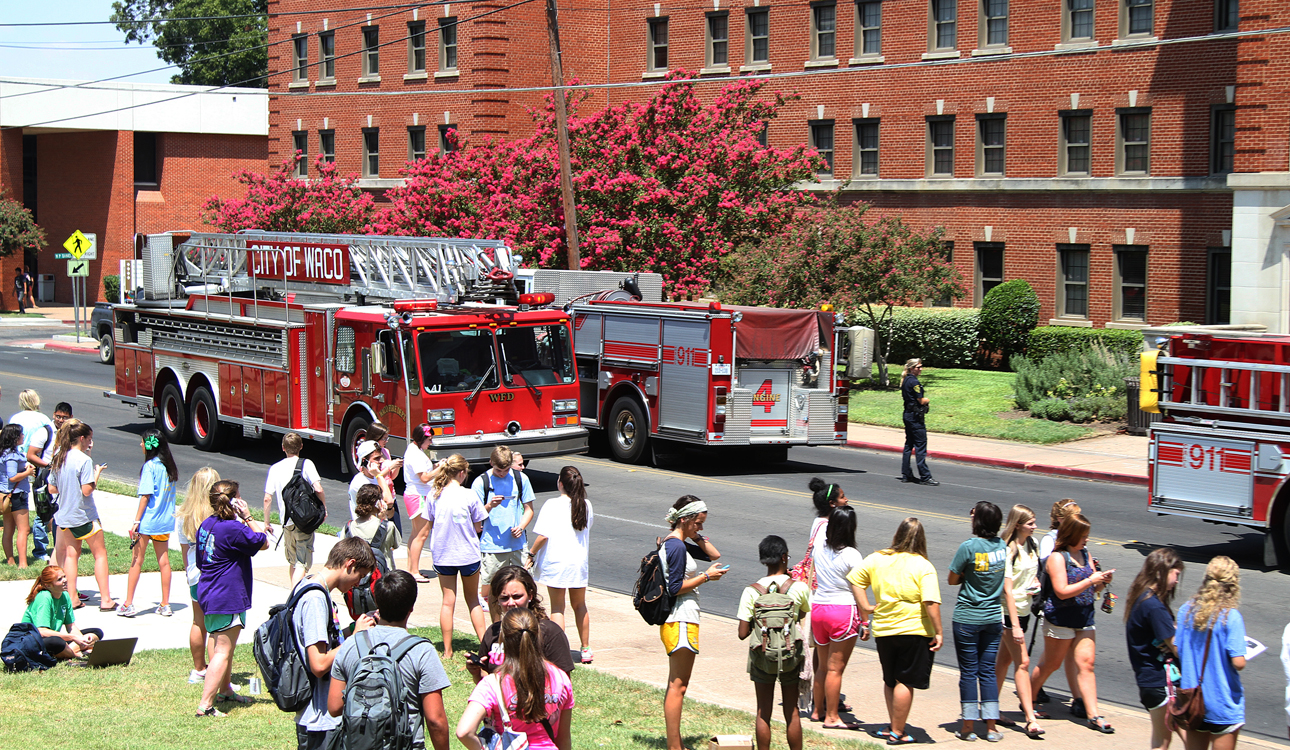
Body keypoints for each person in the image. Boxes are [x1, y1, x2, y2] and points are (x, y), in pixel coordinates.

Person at [329, 570, 452, 750]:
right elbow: (435, 720)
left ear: (377, 603)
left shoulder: (351, 645)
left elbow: (334, 707)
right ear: (411, 607)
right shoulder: (421, 652)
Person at [850, 517, 942, 745]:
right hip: (914, 630)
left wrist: (866, 607)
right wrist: (939, 631)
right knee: (905, 681)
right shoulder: (923, 565)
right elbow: (931, 602)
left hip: (885, 630)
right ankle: (898, 732)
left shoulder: (877, 558)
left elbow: (855, 580)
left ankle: (894, 725)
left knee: (891, 680)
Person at [1029, 513, 1116, 733]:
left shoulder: (1085, 553)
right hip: (1061, 618)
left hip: (1084, 616)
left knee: (1087, 664)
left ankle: (1093, 715)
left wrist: (1101, 581)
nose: (1087, 539)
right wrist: (1090, 580)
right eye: (1084, 536)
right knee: (1051, 664)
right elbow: (1061, 591)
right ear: (1072, 534)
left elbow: (1092, 587)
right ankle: (1029, 699)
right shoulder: (1058, 558)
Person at [292, 536, 378, 749]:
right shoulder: (315, 599)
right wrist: (356, 637)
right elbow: (319, 664)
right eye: (360, 576)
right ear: (350, 564)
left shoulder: (312, 586)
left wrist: (358, 626)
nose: (357, 584)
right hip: (319, 719)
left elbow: (328, 643)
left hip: (322, 716)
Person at [195, 480, 269, 717]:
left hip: (208, 593)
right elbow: (263, 541)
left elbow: (200, 561)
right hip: (227, 596)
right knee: (223, 651)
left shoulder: (206, 524)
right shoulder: (234, 529)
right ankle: (205, 705)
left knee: (221, 644)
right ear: (235, 500)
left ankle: (225, 690)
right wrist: (247, 516)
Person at [456, 607, 575, 750]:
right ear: (538, 635)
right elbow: (563, 738)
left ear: (502, 639)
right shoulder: (561, 678)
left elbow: (464, 732)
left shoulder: (493, 684)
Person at [660, 495, 726, 750]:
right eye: (698, 522)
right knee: (678, 686)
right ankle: (674, 746)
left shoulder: (678, 543)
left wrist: (695, 535)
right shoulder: (677, 547)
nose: (701, 527)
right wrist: (706, 578)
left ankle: (675, 744)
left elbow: (714, 554)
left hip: (680, 619)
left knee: (675, 684)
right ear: (684, 519)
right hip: (680, 619)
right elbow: (674, 587)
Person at [737, 534, 810, 750]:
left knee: (763, 711)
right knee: (792, 710)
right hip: (789, 654)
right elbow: (804, 614)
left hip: (762, 655)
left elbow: (742, 633)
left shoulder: (751, 591)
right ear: (784, 557)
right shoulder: (799, 588)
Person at [947, 501, 1006, 741]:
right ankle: (991, 727)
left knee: (969, 673)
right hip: (993, 617)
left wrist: (967, 575)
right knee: (988, 672)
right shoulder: (1002, 547)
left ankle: (968, 727)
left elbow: (952, 579)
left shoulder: (968, 547)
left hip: (967, 617)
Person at [1177, 556, 1246, 750]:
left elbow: (1178, 649)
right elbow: (1239, 662)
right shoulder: (1230, 617)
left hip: (1193, 699)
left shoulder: (1186, 611)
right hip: (1221, 700)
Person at [528, 465, 593, 661]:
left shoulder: (551, 504)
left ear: (561, 483)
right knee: (580, 605)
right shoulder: (586, 505)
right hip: (578, 562)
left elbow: (543, 536)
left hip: (556, 562)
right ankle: (586, 648)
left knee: (558, 608)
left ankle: (559, 649)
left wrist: (531, 554)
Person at [468, 565, 575, 683]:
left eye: (517, 596)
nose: (511, 603)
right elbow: (486, 681)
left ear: (530, 595)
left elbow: (563, 683)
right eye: (504, 598)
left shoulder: (550, 632)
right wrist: (477, 673)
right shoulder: (493, 632)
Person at [426, 453, 488, 658]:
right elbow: (478, 526)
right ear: (462, 473)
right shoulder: (469, 495)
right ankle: (485, 646)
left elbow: (430, 523)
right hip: (468, 555)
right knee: (473, 600)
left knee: (447, 601)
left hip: (443, 554)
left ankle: (447, 650)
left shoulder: (433, 494)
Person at [809, 504, 865, 729]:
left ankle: (817, 710)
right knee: (835, 669)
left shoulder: (819, 548)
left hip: (819, 609)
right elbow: (859, 588)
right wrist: (865, 620)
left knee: (823, 667)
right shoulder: (852, 555)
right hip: (843, 611)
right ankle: (832, 717)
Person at [1125, 547, 1186, 750]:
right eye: (1176, 574)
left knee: (1175, 739)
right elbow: (1177, 647)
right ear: (1162, 572)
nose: (1177, 581)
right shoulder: (1154, 607)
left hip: (1150, 681)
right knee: (1165, 742)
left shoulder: (1142, 598)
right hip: (1162, 683)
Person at [49, 419, 113, 611]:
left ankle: (72, 598)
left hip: (65, 515)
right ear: (82, 438)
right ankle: (106, 599)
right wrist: (96, 475)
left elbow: (52, 488)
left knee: (71, 554)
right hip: (84, 515)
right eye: (89, 439)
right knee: (100, 554)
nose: (90, 443)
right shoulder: (84, 460)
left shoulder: (59, 456)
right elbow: (87, 490)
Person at [995, 504, 1044, 737]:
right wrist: (1014, 625)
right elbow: (1007, 589)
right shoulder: (1008, 549)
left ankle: (990, 708)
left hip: (1024, 610)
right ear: (1017, 525)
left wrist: (1035, 584)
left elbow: (1030, 574)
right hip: (1008, 613)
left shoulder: (1032, 545)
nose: (1035, 526)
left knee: (1004, 661)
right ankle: (1030, 718)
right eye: (1030, 523)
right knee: (1023, 662)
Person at [471, 445, 535, 620]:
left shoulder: (520, 479)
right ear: (491, 463)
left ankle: (522, 624)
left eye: (506, 470)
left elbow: (529, 509)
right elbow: (475, 516)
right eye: (499, 470)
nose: (502, 474)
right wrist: (489, 506)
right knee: (495, 591)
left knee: (523, 588)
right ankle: (497, 627)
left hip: (517, 545)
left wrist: (521, 527)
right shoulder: (481, 482)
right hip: (493, 546)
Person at [120, 429, 178, 618]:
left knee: (136, 560)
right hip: (164, 523)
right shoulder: (169, 467)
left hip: (147, 522)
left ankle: (128, 604)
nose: (140, 445)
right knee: (164, 562)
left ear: (149, 445)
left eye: (142, 442)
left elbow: (145, 496)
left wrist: (136, 521)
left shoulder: (149, 467)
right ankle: (165, 604)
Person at [175, 467, 222, 684]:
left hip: (195, 574)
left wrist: (189, 574)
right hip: (216, 574)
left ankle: (198, 669)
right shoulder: (219, 515)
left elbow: (185, 550)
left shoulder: (184, 515)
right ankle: (215, 673)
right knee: (216, 627)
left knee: (198, 621)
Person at [1036, 498, 1084, 708]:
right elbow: (1049, 569)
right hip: (1056, 602)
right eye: (1073, 516)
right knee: (1058, 651)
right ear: (1060, 519)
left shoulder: (1078, 539)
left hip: (1076, 600)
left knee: (1066, 650)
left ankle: (1078, 698)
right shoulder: (1050, 540)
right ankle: (1035, 686)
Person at [263, 433, 326, 585]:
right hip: (304, 520)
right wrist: (323, 507)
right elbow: (318, 488)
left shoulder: (275, 468)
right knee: (302, 563)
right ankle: (295, 594)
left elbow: (267, 498)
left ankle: (294, 592)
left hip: (287, 522)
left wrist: (266, 523)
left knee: (293, 562)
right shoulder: (307, 464)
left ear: (283, 448)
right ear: (301, 446)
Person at [10, 389, 56, 564]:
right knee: (43, 504)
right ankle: (42, 539)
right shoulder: (43, 419)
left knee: (22, 500)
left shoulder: (15, 418)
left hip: (18, 464)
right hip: (38, 466)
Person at [21, 565, 103, 659]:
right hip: (33, 641)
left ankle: (69, 651)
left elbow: (71, 626)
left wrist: (82, 640)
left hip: (54, 639)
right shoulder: (44, 597)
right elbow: (42, 631)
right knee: (56, 642)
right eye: (59, 579)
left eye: (64, 576)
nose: (65, 580)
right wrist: (72, 637)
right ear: (48, 585)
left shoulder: (65, 595)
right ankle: (75, 654)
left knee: (96, 632)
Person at [403, 424, 437, 582]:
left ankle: (411, 569)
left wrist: (435, 468)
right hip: (419, 497)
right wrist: (441, 468)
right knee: (421, 534)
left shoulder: (416, 450)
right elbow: (424, 478)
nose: (431, 442)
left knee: (415, 533)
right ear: (421, 439)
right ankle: (414, 571)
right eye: (429, 439)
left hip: (417, 495)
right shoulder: (415, 454)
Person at [898, 358, 938, 486]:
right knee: (920, 446)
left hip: (908, 415)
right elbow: (920, 400)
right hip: (915, 417)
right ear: (912, 368)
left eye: (921, 367)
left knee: (909, 445)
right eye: (918, 367)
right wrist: (927, 400)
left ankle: (906, 474)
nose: (921, 369)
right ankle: (925, 476)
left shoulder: (906, 380)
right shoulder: (914, 382)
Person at [344, 484, 401, 571]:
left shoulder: (349, 526)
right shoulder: (388, 526)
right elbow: (395, 545)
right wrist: (384, 519)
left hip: (357, 574)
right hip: (382, 573)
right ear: (378, 503)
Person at [0, 423, 34, 567]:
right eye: (21, 434)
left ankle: (10, 561)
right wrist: (28, 472)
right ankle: (23, 564)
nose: (23, 436)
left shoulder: (4, 452)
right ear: (14, 437)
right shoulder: (12, 455)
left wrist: (25, 467)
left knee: (8, 529)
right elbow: (12, 477)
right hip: (17, 495)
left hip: (7, 495)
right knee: (23, 529)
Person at [363, 422, 403, 534]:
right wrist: (390, 467)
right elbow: (374, 475)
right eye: (384, 438)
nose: (386, 441)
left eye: (387, 438)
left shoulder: (386, 451)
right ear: (375, 438)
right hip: (380, 497)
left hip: (391, 494)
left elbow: (392, 477)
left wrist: (397, 466)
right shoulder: (371, 455)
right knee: (382, 532)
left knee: (396, 532)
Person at [348, 439, 400, 521]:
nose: (381, 461)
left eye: (381, 457)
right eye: (377, 458)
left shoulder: (376, 478)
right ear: (365, 461)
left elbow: (390, 513)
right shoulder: (360, 483)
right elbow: (389, 501)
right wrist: (379, 475)